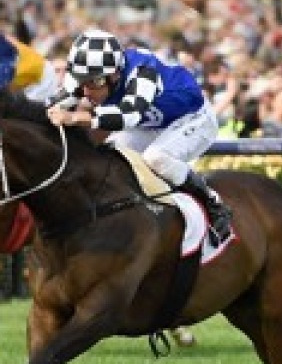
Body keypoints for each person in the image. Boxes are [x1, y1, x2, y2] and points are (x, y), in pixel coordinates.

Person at [45, 28, 233, 241]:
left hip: (194, 118)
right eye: (82, 81)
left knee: (157, 157)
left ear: (116, 73)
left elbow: (128, 116)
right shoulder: (90, 72)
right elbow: (54, 104)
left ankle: (213, 203)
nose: (87, 91)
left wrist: (77, 117)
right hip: (151, 123)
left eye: (95, 82)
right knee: (110, 155)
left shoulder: (143, 71)